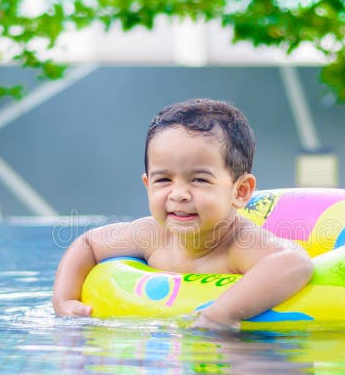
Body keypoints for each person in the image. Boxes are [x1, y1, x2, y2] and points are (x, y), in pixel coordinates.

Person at [52, 98, 313, 330]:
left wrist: (222, 312)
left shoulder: (240, 244)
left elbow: (295, 263)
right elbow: (88, 244)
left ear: (241, 191)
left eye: (199, 180)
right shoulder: (151, 235)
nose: (179, 194)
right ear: (147, 184)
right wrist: (64, 301)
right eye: (163, 180)